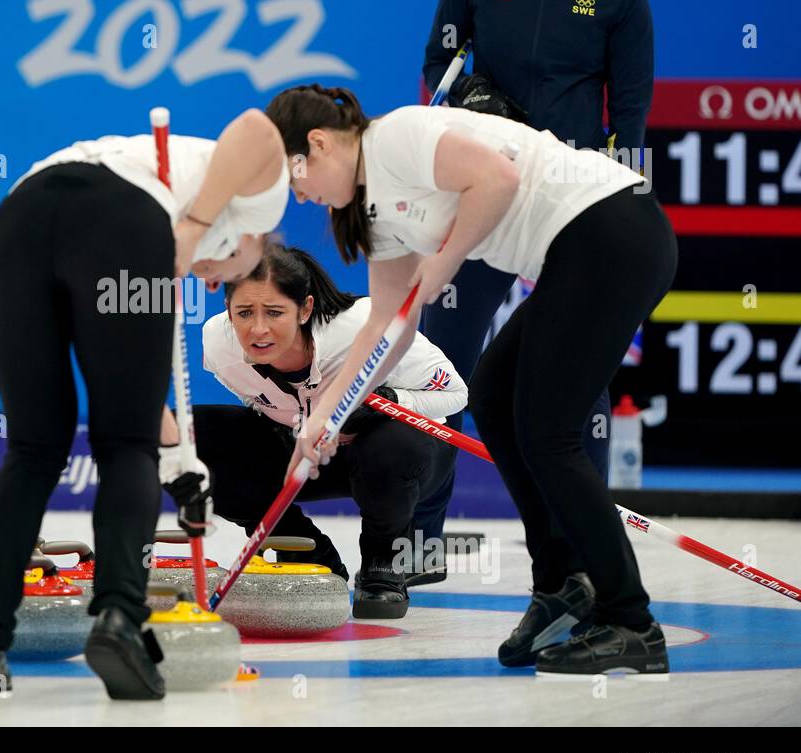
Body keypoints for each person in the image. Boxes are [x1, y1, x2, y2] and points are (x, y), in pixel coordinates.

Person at [264, 84, 676, 676]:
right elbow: (387, 324)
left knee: (549, 434)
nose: (299, 195)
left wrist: (446, 260)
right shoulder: (371, 211)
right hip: (576, 254)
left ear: (319, 144)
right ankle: (563, 586)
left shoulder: (397, 135)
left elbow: (497, 179)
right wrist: (324, 412)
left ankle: (630, 619)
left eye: (295, 177)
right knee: (495, 395)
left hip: (612, 227)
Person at [0, 108, 289, 700]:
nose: (215, 284)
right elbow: (261, 131)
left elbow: (132, 395)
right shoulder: (252, 212)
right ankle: (119, 620)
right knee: (123, 444)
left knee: (34, 449)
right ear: (252, 241)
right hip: (123, 221)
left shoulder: (135, 165)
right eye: (233, 278)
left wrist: (180, 462)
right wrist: (193, 227)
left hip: (17, 222)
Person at [415, 0, 650, 556]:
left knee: (583, 379)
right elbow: (440, 65)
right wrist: (472, 105)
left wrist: (628, 217)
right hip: (486, 199)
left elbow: (630, 118)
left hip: (571, 208)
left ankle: (582, 551)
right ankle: (417, 544)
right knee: (440, 370)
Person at [159, 243, 465, 618]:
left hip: (402, 458)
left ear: (304, 309)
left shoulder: (362, 327)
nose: (258, 329)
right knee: (188, 436)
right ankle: (304, 550)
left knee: (391, 443)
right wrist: (297, 424)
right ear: (227, 310)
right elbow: (261, 400)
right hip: (308, 451)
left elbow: (455, 394)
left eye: (274, 313)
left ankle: (382, 566)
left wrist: (391, 400)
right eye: (243, 313)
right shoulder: (218, 343)